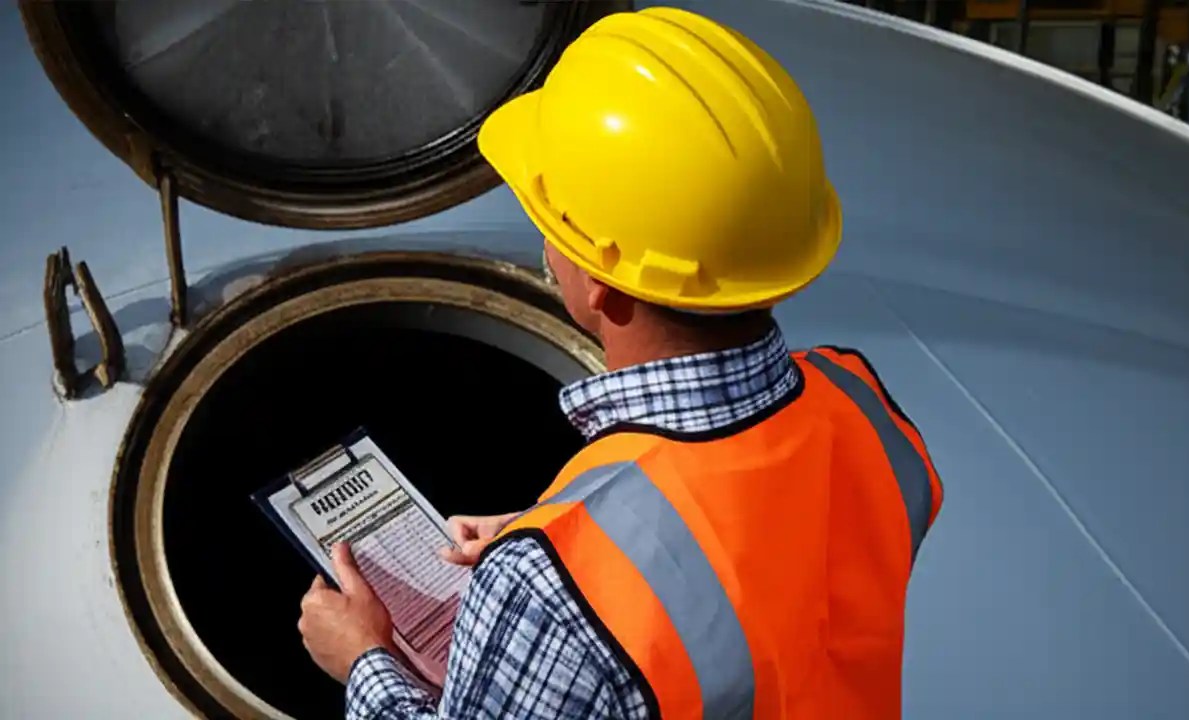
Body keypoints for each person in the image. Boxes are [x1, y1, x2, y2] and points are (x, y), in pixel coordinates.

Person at [298, 7, 943, 719]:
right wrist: (567, 532)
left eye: (549, 220)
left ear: (600, 278)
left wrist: (364, 660)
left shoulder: (545, 589)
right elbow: (762, 563)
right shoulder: (862, 408)